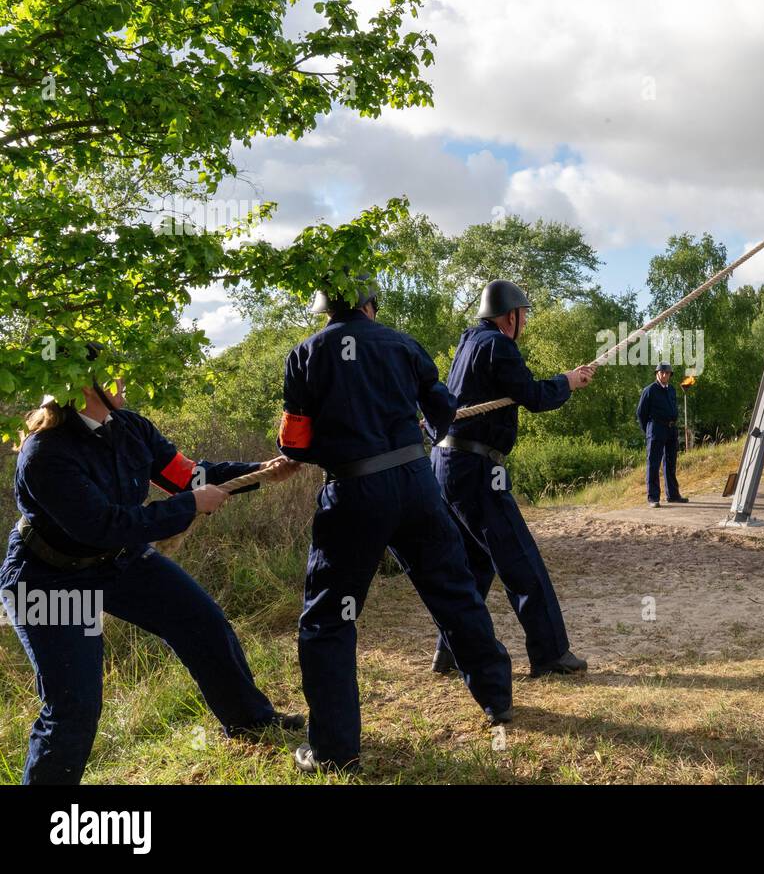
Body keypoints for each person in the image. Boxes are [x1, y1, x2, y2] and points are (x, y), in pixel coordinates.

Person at [2, 346, 302, 784]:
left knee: (201, 621)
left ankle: (249, 720)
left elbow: (188, 476)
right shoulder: (45, 453)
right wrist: (188, 506)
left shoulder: (131, 427)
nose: (123, 377)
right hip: (50, 578)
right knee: (76, 702)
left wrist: (256, 471)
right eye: (113, 372)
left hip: (117, 560)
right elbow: (104, 525)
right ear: (86, 385)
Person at [279, 280, 514, 774]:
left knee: (328, 621)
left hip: (353, 494)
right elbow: (444, 411)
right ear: (370, 305)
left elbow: (294, 445)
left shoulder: (304, 355)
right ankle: (496, 697)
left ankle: (335, 750)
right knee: (453, 590)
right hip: (414, 486)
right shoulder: (404, 344)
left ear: (325, 309)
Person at [431, 279, 593, 678]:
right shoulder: (499, 345)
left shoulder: (470, 341)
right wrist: (567, 382)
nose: (525, 323)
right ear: (511, 317)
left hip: (446, 466)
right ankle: (550, 653)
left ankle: (450, 650)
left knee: (475, 566)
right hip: (477, 469)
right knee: (521, 561)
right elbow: (533, 396)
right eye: (524, 316)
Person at [637, 362, 689, 507]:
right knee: (653, 464)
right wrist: (648, 430)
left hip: (671, 430)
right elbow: (641, 413)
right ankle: (653, 498)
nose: (664, 375)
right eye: (662, 372)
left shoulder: (672, 390)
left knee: (671, 463)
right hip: (656, 429)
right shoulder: (650, 390)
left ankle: (672, 495)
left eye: (667, 373)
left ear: (670, 375)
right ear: (657, 374)